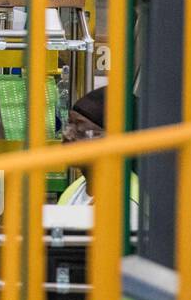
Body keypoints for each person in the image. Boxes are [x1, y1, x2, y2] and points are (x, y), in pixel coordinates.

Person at [58, 87, 140, 216]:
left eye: (80, 130)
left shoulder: (128, 203)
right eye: (69, 124)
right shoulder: (74, 190)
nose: (67, 135)